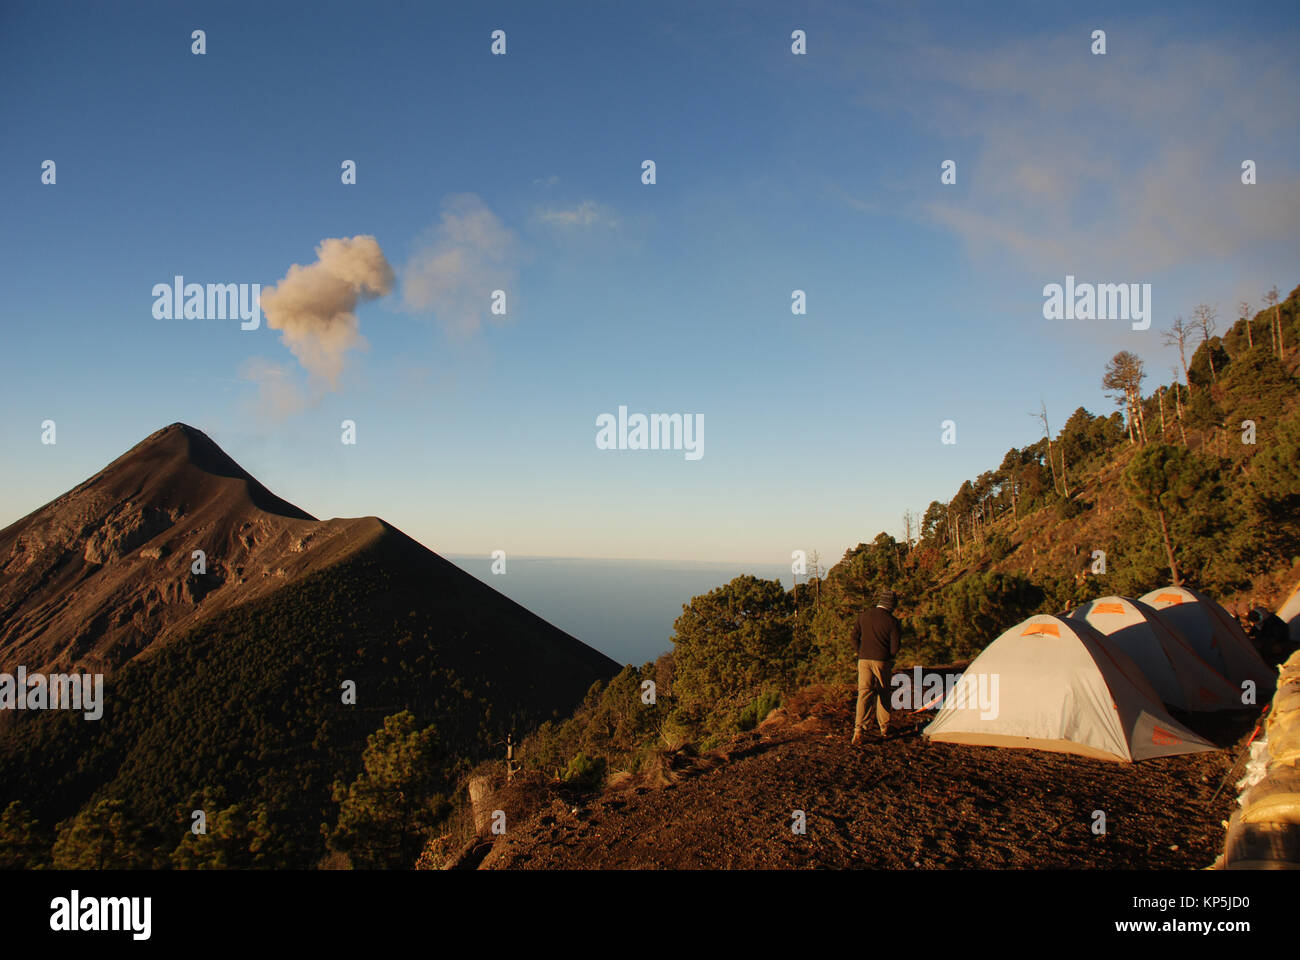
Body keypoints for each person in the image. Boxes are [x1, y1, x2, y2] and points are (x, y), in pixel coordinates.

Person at [850, 589, 901, 744]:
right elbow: (895, 648)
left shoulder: (864, 616)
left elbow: (853, 637)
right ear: (892, 604)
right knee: (884, 692)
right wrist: (888, 657)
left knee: (864, 693)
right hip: (882, 660)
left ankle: (859, 730)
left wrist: (860, 652)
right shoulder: (892, 621)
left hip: (863, 660)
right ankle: (884, 727)